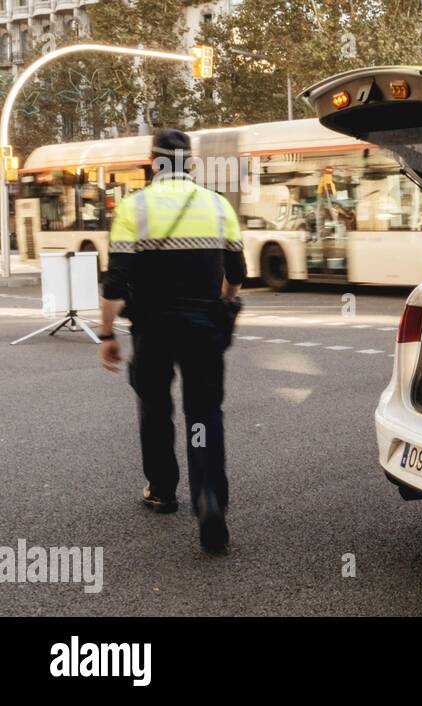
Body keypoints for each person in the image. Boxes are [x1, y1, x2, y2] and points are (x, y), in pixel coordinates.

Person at [97, 128, 245, 554]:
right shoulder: (218, 206)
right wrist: (223, 305)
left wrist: (107, 334)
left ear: (152, 160)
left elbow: (115, 282)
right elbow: (236, 275)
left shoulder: (133, 207)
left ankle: (162, 490)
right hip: (203, 326)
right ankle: (209, 495)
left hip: (152, 328)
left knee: (156, 407)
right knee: (203, 413)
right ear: (192, 164)